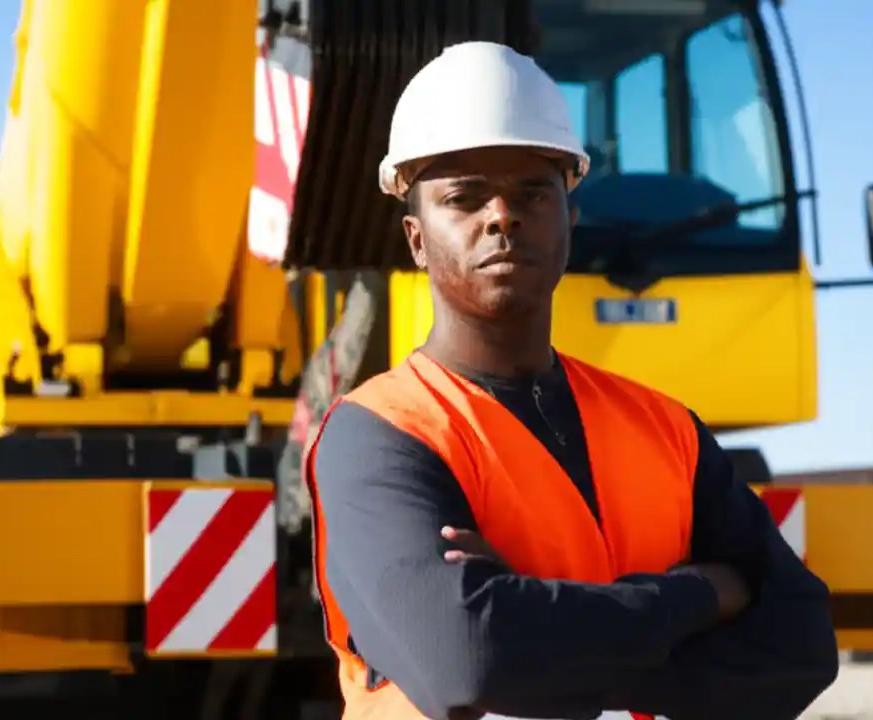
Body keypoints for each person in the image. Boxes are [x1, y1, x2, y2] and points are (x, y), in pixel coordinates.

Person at [303, 41, 839, 720]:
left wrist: (539, 632)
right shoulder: (378, 434)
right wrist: (701, 595)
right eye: (464, 198)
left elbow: (802, 649)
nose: (502, 215)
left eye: (532, 192)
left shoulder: (666, 429)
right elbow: (471, 659)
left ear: (569, 219)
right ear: (415, 237)